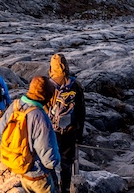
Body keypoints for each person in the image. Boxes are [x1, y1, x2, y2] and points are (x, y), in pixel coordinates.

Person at [0, 76, 60, 193]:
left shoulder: (14, 106)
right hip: (39, 176)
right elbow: (49, 159)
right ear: (46, 96)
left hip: (21, 170)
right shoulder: (40, 117)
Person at [49, 54, 86, 193]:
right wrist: (79, 132)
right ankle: (65, 188)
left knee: (49, 162)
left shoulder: (48, 85)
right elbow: (81, 111)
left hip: (52, 132)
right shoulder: (75, 84)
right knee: (67, 163)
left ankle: (53, 187)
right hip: (70, 131)